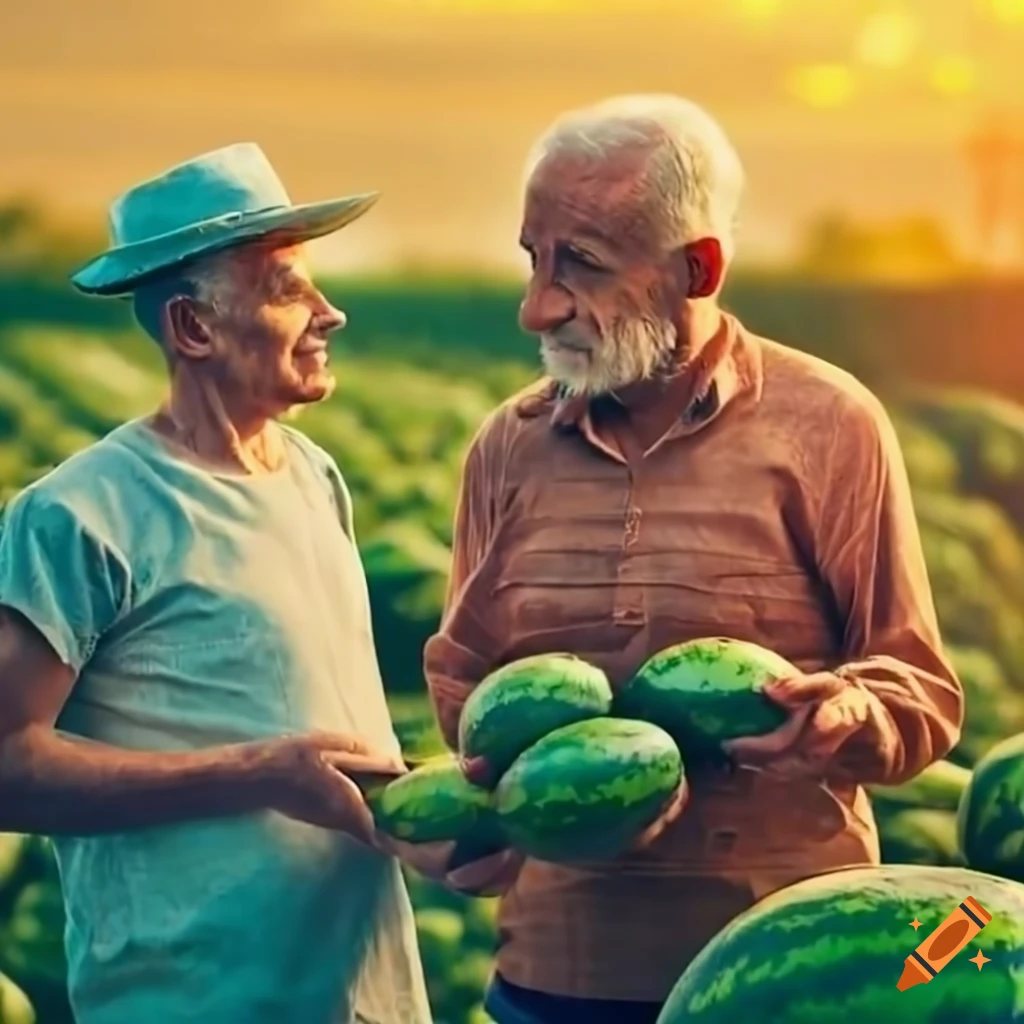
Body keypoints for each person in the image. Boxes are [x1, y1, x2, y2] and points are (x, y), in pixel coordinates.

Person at [424, 95, 965, 1024]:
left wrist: (848, 711)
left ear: (697, 268)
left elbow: (920, 690)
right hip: (558, 982)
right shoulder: (505, 449)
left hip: (786, 982)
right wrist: (479, 805)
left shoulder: (829, 427)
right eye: (533, 259)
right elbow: (463, 682)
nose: (536, 307)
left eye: (580, 266)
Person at [0, 142, 503, 1024]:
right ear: (193, 328)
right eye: (287, 290)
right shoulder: (78, 514)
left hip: (364, 994)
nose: (330, 313)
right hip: (191, 1000)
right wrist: (257, 774)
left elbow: (326, 747)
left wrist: (421, 825)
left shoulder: (313, 476)